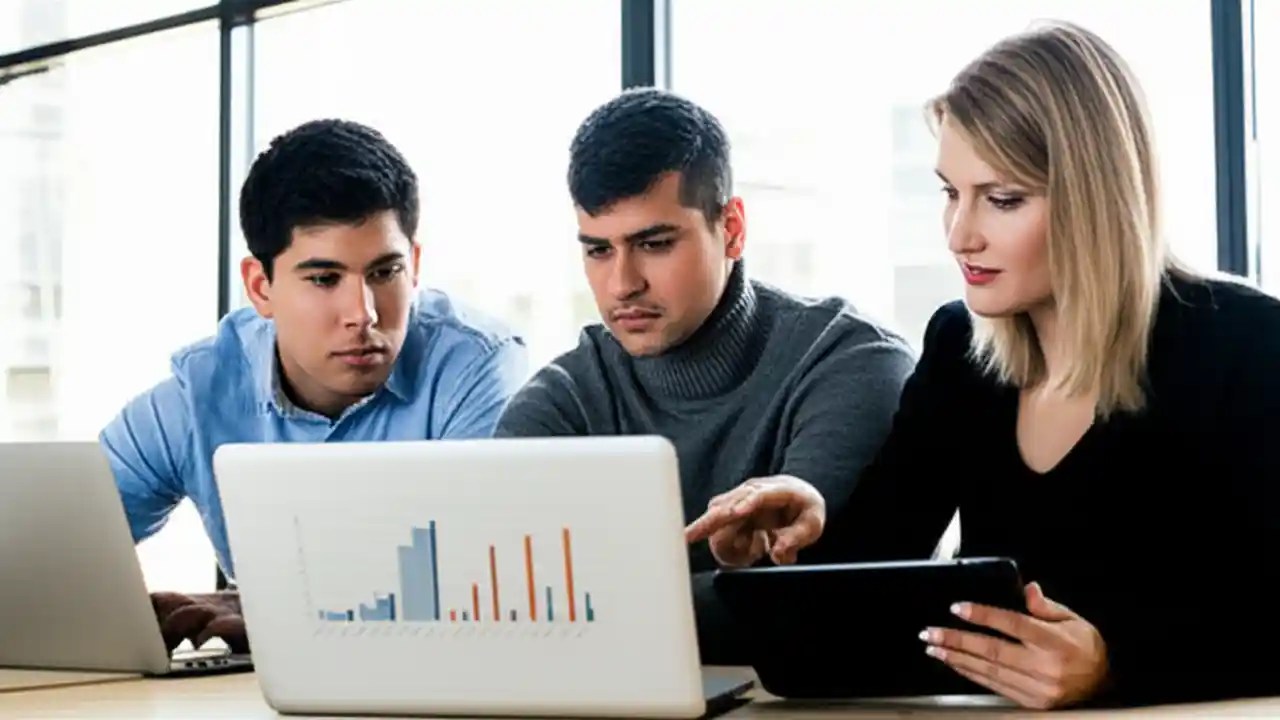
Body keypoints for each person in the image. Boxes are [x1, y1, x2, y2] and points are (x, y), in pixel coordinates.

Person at [688, 21, 1280, 710]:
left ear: (1096, 199)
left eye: (1001, 199)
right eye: (949, 192)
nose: (959, 234)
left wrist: (1117, 665)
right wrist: (793, 543)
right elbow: (870, 595)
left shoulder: (1248, 345)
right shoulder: (960, 351)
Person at [495, 88, 917, 661]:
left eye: (655, 243)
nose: (622, 283)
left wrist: (604, 612)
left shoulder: (851, 362)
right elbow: (507, 614)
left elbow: (815, 605)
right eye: (598, 250)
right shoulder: (563, 400)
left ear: (733, 229)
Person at [102, 119, 528, 655]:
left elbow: (482, 585)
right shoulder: (199, 395)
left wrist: (267, 610)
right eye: (325, 279)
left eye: (384, 272)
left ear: (414, 265)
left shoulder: (477, 368)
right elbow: (51, 546)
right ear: (261, 287)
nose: (363, 313)